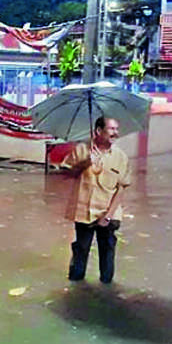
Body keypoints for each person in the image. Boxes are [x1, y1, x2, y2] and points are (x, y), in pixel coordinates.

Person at [63, 116, 132, 285]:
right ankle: (76, 291)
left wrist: (107, 216)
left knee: (107, 253)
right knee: (81, 252)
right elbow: (66, 174)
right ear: (98, 131)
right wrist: (85, 163)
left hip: (109, 213)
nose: (115, 133)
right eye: (111, 129)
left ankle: (106, 291)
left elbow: (121, 189)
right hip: (84, 212)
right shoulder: (81, 150)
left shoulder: (121, 157)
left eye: (116, 129)